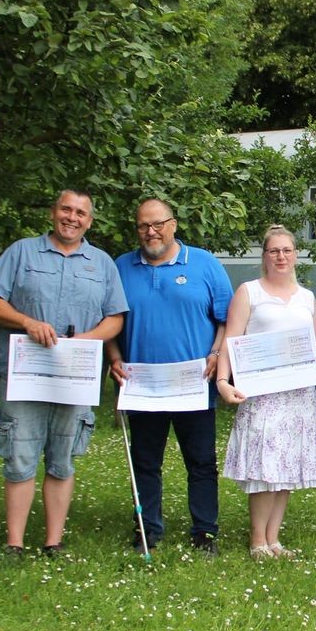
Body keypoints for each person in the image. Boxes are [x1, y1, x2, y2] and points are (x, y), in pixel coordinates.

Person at [0, 189, 128, 558]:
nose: (72, 217)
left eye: (81, 212)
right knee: (19, 455)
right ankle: (14, 543)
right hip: (25, 375)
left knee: (63, 458)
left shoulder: (102, 263)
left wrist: (88, 341)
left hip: (73, 378)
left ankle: (53, 542)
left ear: (89, 221)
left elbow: (116, 318)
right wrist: (26, 322)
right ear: (53, 212)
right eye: (66, 209)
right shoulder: (21, 252)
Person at [107, 198, 233, 556]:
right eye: (144, 226)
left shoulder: (205, 264)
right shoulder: (121, 267)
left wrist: (216, 352)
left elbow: (227, 317)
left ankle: (205, 532)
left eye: (158, 224)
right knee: (146, 462)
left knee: (202, 463)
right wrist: (114, 357)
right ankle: (147, 529)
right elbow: (109, 321)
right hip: (142, 386)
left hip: (193, 384)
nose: (151, 232)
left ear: (174, 224)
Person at [215, 225, 316, 560]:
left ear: (295, 255)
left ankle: (274, 539)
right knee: (264, 468)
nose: (281, 256)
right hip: (262, 393)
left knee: (285, 467)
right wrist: (224, 382)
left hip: (297, 394)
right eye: (274, 251)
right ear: (264, 256)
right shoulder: (249, 292)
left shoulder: (307, 297)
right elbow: (231, 341)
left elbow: (312, 346)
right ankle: (257, 540)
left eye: (287, 250)